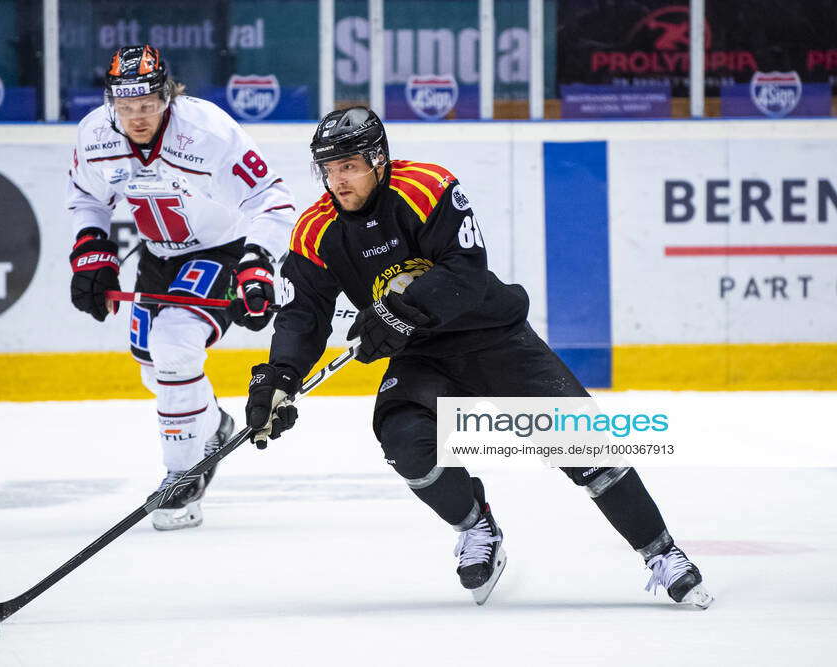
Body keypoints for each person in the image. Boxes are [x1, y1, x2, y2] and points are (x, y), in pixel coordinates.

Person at [244, 106, 713, 607]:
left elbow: (466, 271)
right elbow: (302, 317)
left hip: (492, 335)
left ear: (379, 161)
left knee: (583, 444)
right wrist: (280, 377)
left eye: (350, 166)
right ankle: (476, 525)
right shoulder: (315, 230)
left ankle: (661, 552)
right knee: (405, 441)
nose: (338, 181)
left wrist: (396, 312)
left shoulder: (427, 187)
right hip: (422, 355)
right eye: (329, 169)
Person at [67, 45, 295, 531]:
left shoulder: (207, 131)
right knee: (152, 362)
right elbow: (88, 196)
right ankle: (212, 427)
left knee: (174, 344)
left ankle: (182, 475)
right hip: (159, 255)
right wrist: (93, 250)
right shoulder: (95, 134)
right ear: (111, 102)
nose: (137, 117)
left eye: (147, 104)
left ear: (167, 95)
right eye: (126, 107)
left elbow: (272, 197)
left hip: (222, 249)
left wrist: (257, 262)